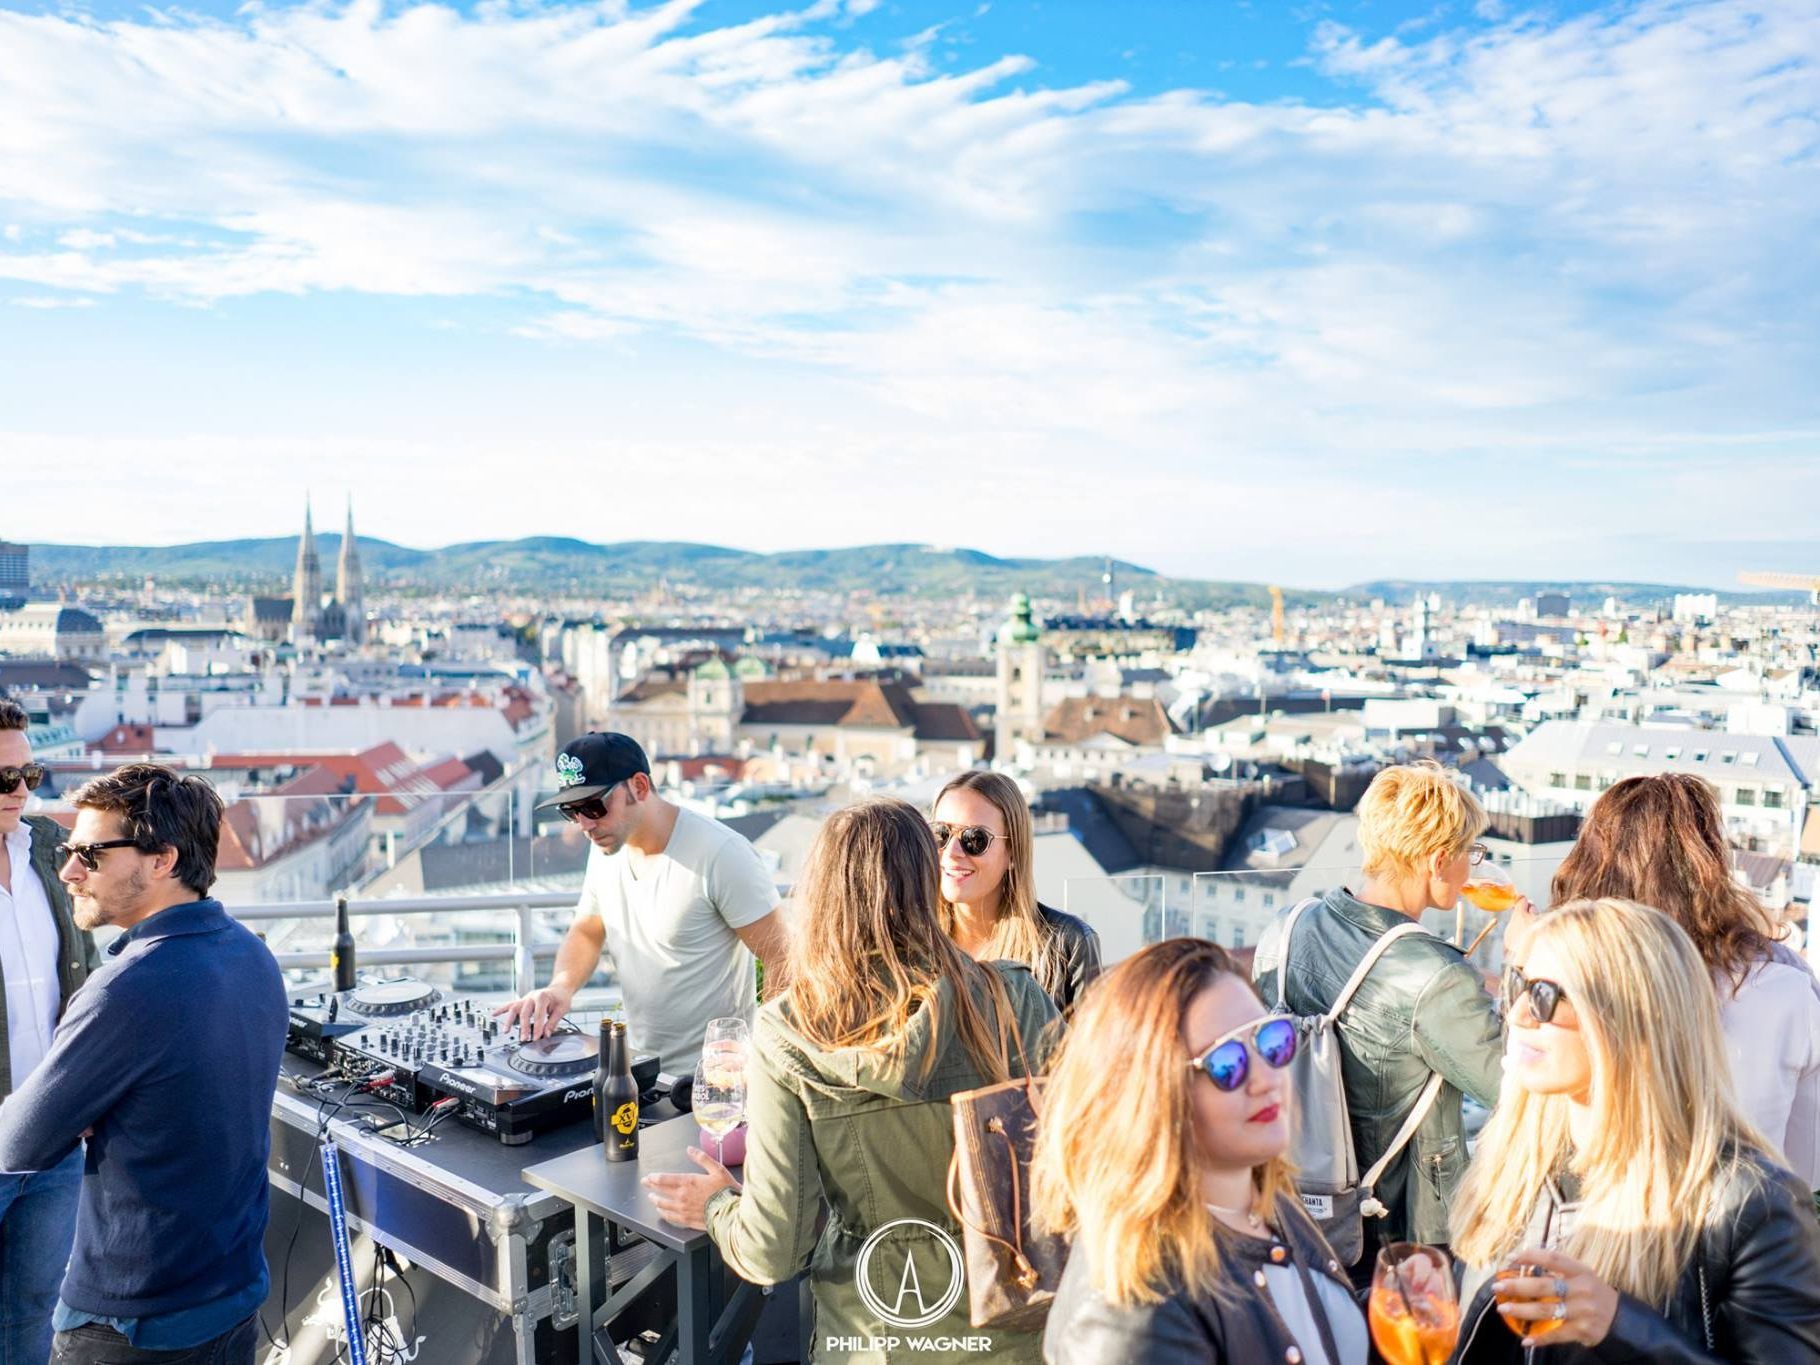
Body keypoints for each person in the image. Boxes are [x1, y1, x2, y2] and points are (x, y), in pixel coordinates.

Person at [643, 798, 1061, 1363]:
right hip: (1017, 1327)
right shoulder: (1014, 998)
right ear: (925, 880)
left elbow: (772, 1251)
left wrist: (718, 1205)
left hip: (873, 1333)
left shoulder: (790, 1032)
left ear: (820, 895)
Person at [0, 763, 287, 1365]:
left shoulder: (126, 989)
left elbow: (17, 1142)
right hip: (231, 1291)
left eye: (91, 854)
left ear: (162, 860)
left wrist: (85, 1106)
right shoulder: (250, 954)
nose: (69, 870)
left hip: (133, 1320)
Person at [1450, 897, 1820, 1361]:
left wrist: (1618, 1324)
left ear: (1633, 1023)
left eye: (1545, 995)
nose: (1519, 1013)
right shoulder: (1515, 1160)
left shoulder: (1751, 1205)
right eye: (1517, 985)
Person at [1252, 760, 1538, 1279]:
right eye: (1470, 854)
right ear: (1437, 860)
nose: (1472, 869)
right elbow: (1517, 1086)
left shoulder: (1285, 928)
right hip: (1397, 1228)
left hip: (1294, 1195)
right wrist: (1521, 966)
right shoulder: (1435, 974)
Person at [1034, 937, 1367, 1364]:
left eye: (1270, 1041)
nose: (1268, 1078)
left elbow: (1301, 1321)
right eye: (1226, 1064)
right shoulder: (1132, 1315)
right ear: (1149, 1097)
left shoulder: (1264, 1196)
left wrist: (1392, 1310)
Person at [1550, 772, 1820, 1187]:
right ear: (1713, 863)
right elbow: (1806, 1164)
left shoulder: (1565, 979)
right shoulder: (1786, 986)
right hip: (1743, 1228)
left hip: (1600, 1226)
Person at [494, 732, 790, 1075]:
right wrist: (561, 986)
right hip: (637, 1069)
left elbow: (783, 957)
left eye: (593, 805)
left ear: (639, 786)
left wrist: (763, 1058)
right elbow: (589, 928)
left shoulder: (721, 853)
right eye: (571, 811)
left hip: (713, 1078)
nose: (585, 824)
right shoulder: (606, 845)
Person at [0, 699, 100, 1365]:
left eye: (29, 772)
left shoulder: (46, 848)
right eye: (4, 779)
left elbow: (88, 972)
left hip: (53, 1134)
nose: (22, 791)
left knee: (35, 1312)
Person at [933, 770, 1101, 1014]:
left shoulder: (1068, 945)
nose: (952, 852)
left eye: (975, 839)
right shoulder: (913, 937)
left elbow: (1090, 1050)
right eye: (941, 834)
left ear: (1012, 852)